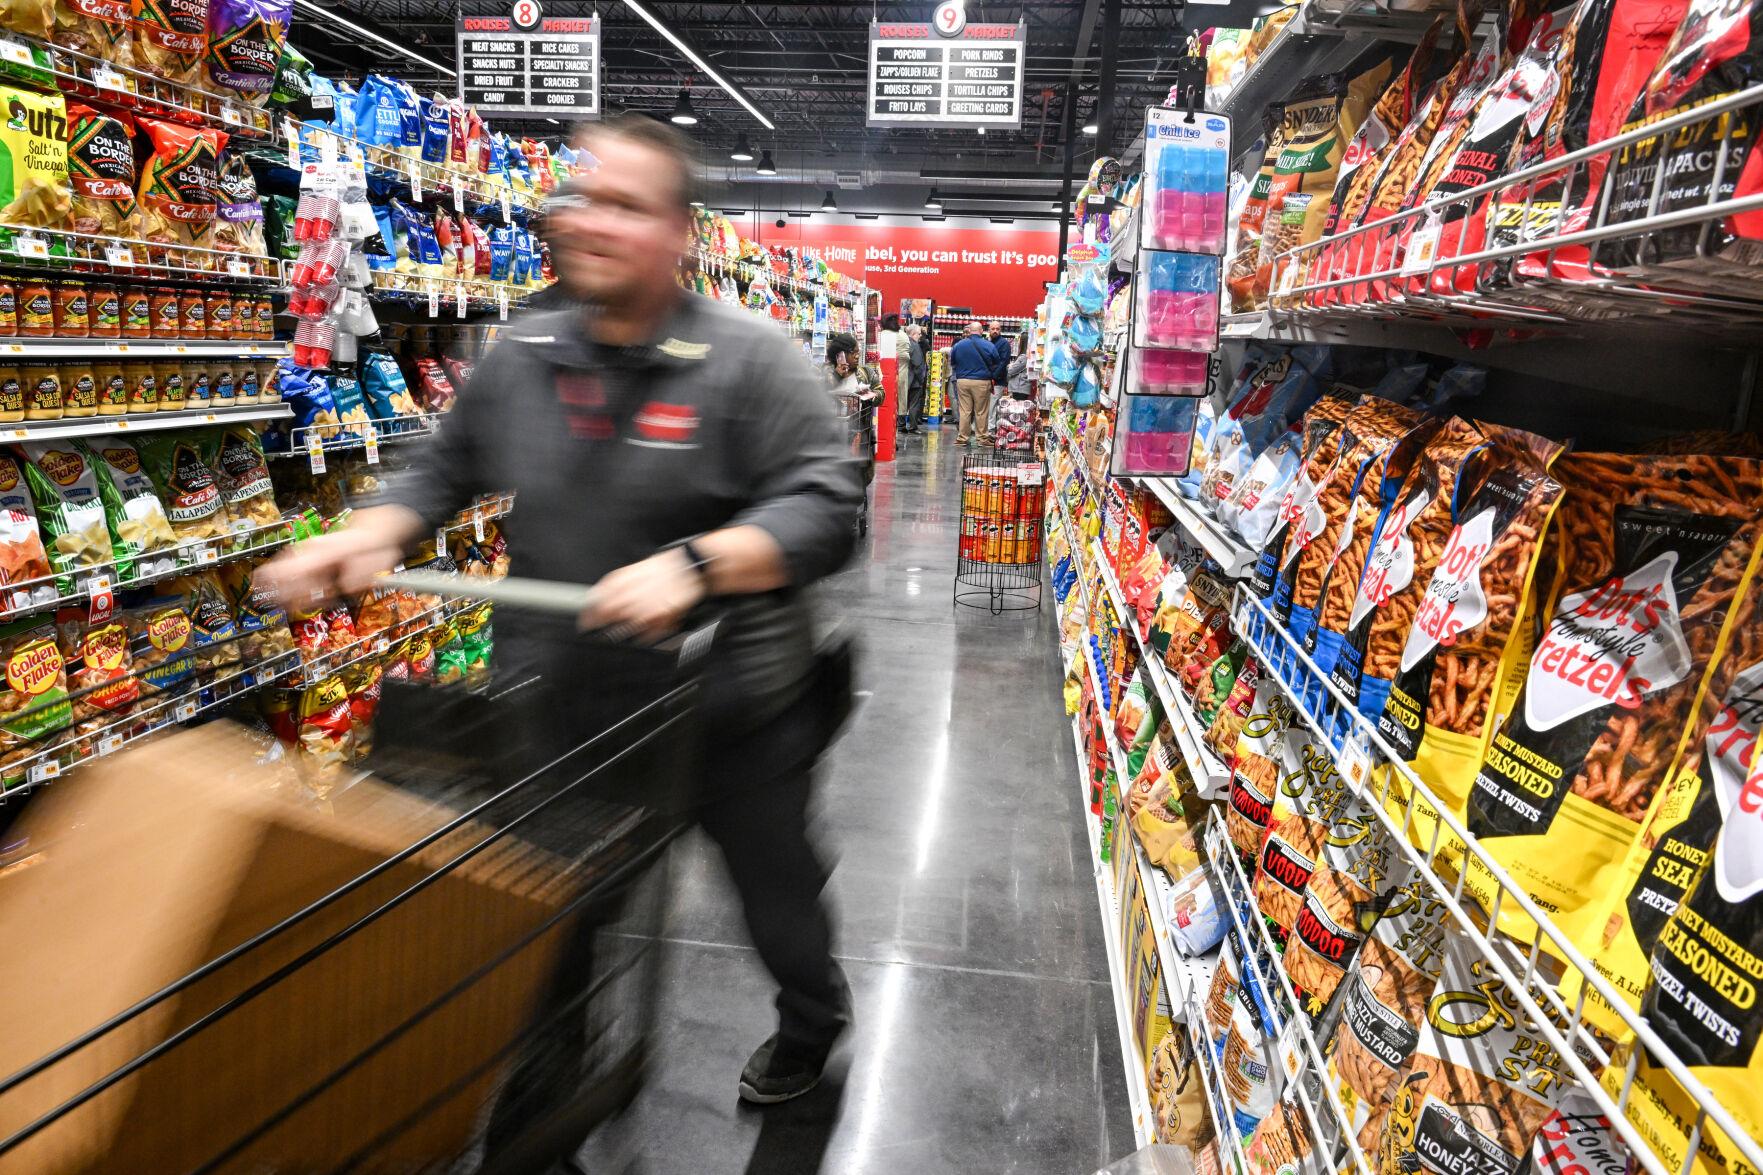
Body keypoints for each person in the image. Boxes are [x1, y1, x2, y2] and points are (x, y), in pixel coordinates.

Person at [259, 114, 864, 1124]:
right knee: (552, 915)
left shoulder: (751, 360)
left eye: (624, 205)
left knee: (777, 901)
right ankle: (546, 1102)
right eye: (582, 197)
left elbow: (822, 507)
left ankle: (810, 1016)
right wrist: (370, 530)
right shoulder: (525, 350)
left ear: (677, 232)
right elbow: (447, 464)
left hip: (732, 707)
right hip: (571, 701)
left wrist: (697, 562)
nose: (588, 220)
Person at [950, 321, 1001, 446]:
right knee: (981, 411)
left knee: (964, 411)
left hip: (962, 381)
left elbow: (953, 362)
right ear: (981, 331)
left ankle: (962, 438)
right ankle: (982, 438)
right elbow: (997, 361)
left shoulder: (958, 345)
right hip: (982, 382)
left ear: (969, 330)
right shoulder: (988, 345)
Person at [904, 323, 929, 434]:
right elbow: (918, 364)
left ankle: (900, 424)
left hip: (905, 379)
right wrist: (921, 378)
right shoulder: (915, 345)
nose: (920, 336)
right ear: (913, 334)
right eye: (919, 334)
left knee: (903, 403)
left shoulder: (904, 343)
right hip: (914, 380)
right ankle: (913, 426)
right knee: (914, 404)